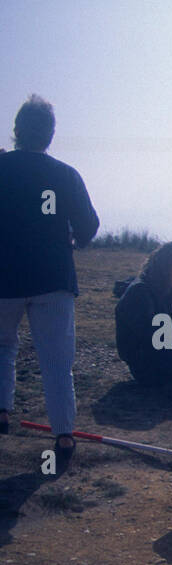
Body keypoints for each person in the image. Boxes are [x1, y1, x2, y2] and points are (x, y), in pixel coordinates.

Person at [0, 95, 99, 469]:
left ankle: (3, 412)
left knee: (2, 346)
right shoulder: (64, 175)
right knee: (57, 361)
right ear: (51, 135)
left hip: (4, 276)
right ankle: (64, 435)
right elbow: (89, 227)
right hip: (53, 277)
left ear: (17, 131)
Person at [114, 241, 172, 386]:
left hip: (169, 354)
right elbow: (151, 338)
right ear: (165, 268)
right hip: (148, 365)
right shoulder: (139, 292)